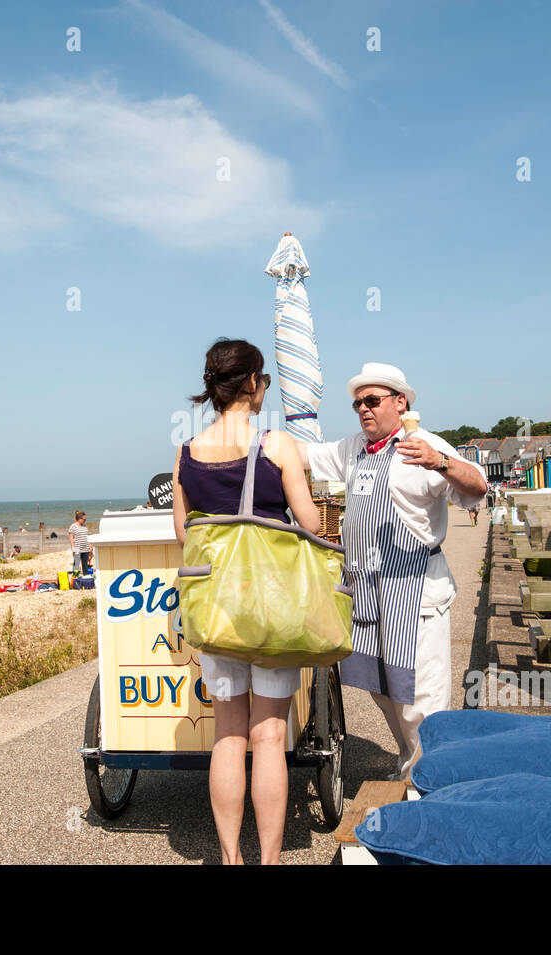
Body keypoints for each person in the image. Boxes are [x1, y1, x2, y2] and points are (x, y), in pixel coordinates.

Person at [297, 362, 487, 780]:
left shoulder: (425, 444)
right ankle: (410, 765)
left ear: (400, 403)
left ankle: (431, 781)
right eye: (357, 403)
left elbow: (478, 485)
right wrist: (239, 437)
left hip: (415, 592)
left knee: (422, 697)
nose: (363, 409)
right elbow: (301, 455)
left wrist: (440, 462)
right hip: (368, 593)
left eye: (372, 400)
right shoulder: (351, 450)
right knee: (384, 686)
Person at [172, 338, 321, 865]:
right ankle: (271, 861)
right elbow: (311, 524)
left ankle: (231, 858)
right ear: (253, 383)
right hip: (273, 609)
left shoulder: (186, 454)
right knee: (271, 733)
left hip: (217, 610)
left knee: (229, 736)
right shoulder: (275, 445)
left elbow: (185, 536)